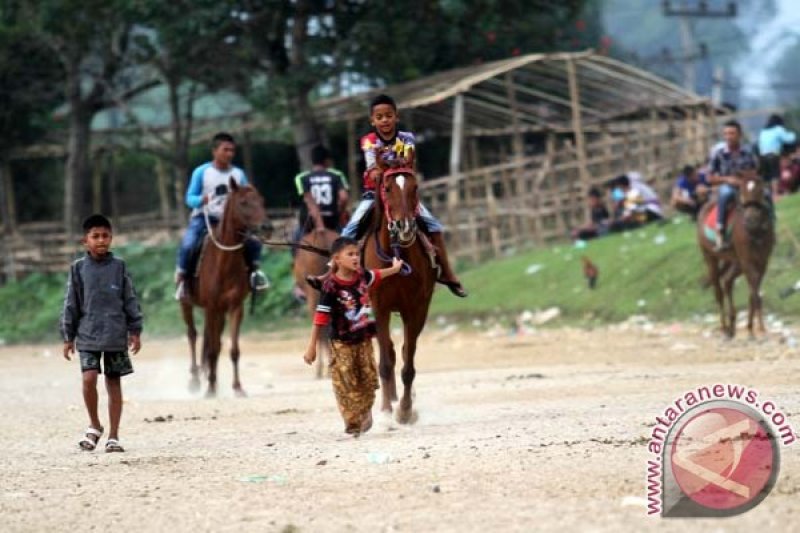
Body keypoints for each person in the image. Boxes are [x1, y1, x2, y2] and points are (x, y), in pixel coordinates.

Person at [310, 94, 466, 298]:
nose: (384, 120)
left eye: (388, 116)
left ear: (396, 117)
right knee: (349, 230)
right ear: (372, 121)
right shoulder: (369, 141)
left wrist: (394, 169)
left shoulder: (406, 138)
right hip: (374, 194)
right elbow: (372, 168)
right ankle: (330, 274)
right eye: (379, 117)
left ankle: (447, 272)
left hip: (402, 194)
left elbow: (408, 163)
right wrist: (383, 170)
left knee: (434, 226)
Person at [303, 237, 405, 437]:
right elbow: (320, 317)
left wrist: (395, 268)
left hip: (364, 340)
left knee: (368, 380)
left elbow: (377, 274)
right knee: (345, 382)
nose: (356, 257)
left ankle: (365, 410)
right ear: (337, 259)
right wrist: (312, 346)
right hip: (341, 343)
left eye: (357, 254)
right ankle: (352, 421)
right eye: (350, 254)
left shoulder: (363, 276)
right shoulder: (331, 286)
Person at [60, 214, 143, 453]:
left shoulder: (119, 267)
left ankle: (114, 436)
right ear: (85, 241)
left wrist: (135, 329)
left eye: (105, 236)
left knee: (113, 381)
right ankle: (95, 425)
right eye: (95, 236)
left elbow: (129, 299)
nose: (101, 240)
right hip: (87, 333)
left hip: (115, 334)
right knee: (89, 379)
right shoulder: (78, 268)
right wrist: (68, 335)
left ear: (111, 238)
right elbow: (71, 303)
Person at [175, 132, 268, 299]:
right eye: (225, 150)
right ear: (215, 151)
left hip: (233, 222)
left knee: (254, 242)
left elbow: (247, 194)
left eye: (232, 150)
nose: (230, 154)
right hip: (205, 217)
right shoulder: (201, 172)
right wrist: (201, 199)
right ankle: (183, 280)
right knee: (189, 244)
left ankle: (254, 275)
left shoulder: (238, 174)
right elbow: (189, 198)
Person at [708, 120, 758, 251]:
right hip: (728, 185)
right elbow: (710, 177)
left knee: (765, 193)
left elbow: (756, 170)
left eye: (732, 133)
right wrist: (728, 179)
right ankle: (720, 230)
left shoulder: (748, 151)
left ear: (739, 135)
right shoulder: (718, 153)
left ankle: (770, 222)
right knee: (725, 194)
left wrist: (746, 177)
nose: (728, 137)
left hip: (746, 184)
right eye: (726, 134)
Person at [292, 145, 350, 249]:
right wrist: (340, 212)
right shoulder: (337, 175)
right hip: (332, 221)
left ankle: (294, 256)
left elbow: (309, 201)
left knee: (296, 238)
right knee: (350, 240)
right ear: (327, 160)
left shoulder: (301, 177)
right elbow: (344, 198)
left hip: (309, 223)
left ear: (312, 160)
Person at [758, 114, 796, 198]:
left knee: (767, 176)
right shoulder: (778, 129)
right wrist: (794, 134)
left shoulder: (763, 131)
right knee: (775, 175)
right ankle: (775, 194)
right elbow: (789, 139)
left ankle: (768, 194)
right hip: (773, 154)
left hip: (763, 156)